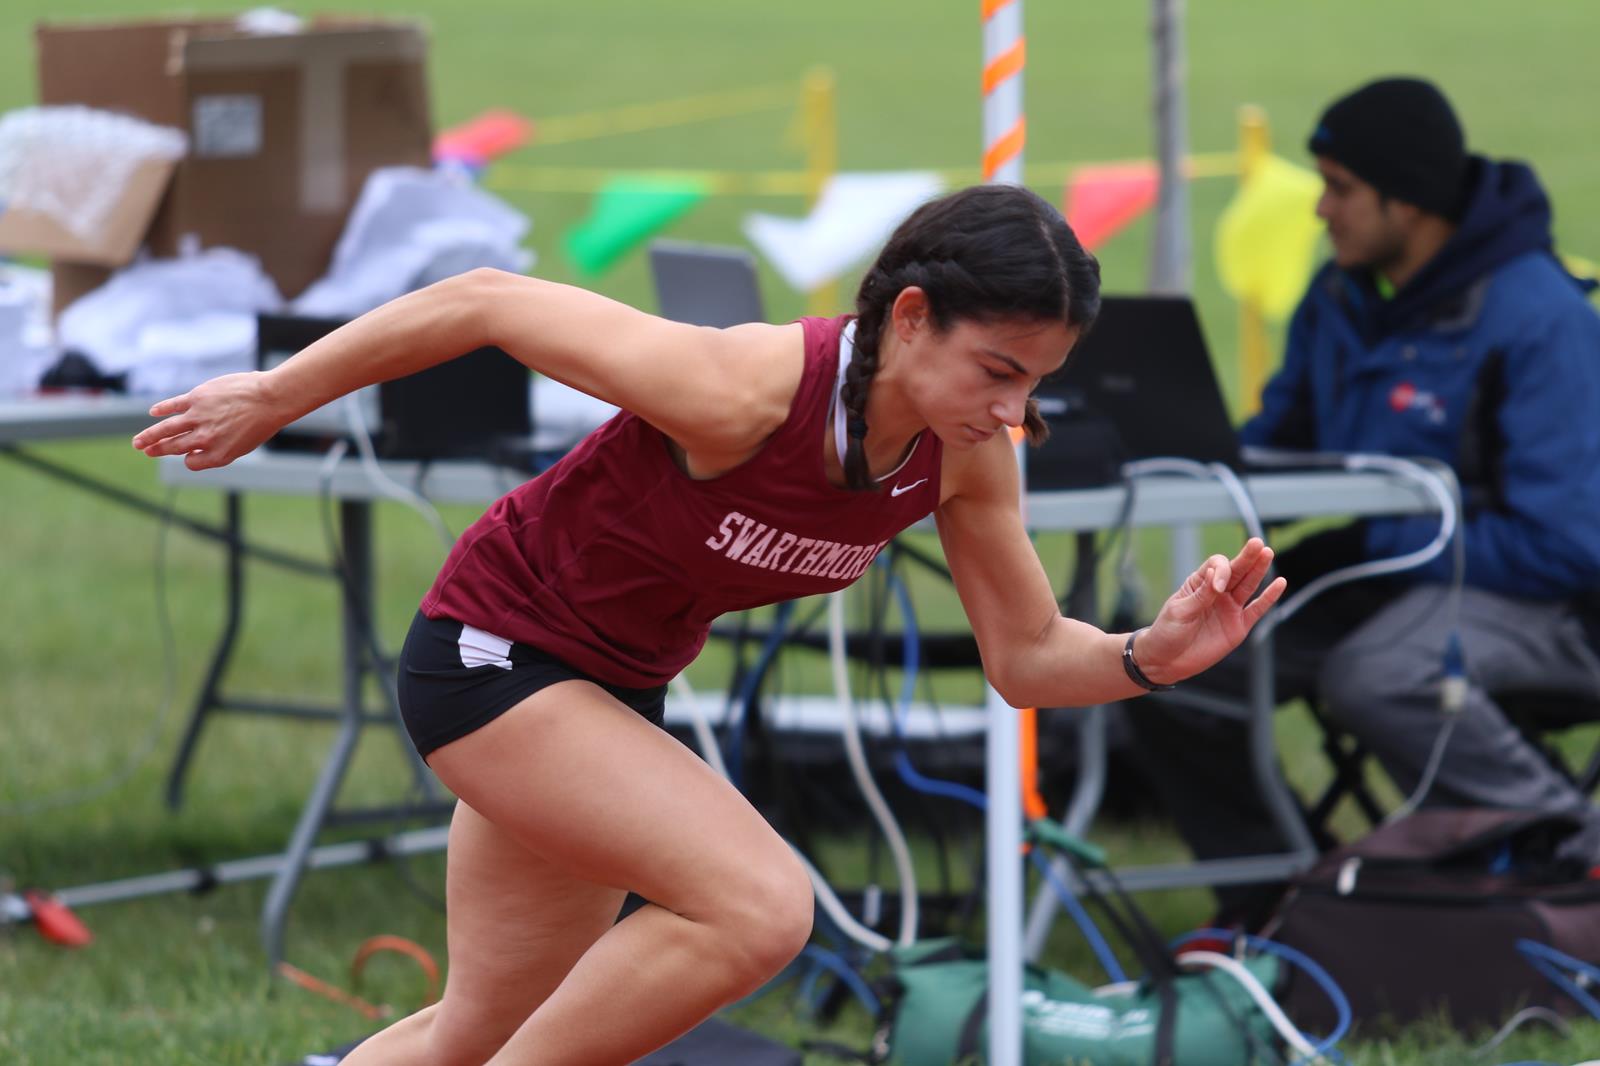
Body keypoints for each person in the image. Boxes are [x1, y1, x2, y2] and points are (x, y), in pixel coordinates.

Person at [133, 184, 1285, 1066]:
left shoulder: (966, 455)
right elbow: (485, 300)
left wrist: (1149, 657)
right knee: (759, 906)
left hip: (607, 692)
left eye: (1034, 383)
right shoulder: (742, 390)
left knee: (483, 1030)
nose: (1012, 410)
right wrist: (273, 395)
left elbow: (1028, 658)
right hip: (494, 657)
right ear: (914, 316)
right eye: (996, 370)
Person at [1128, 77, 1600, 927]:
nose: (1320, 211)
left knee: (1379, 674)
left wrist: (1396, 536)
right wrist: (1168, 449)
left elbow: (1570, 541)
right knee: (1168, 662)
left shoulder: (1541, 316)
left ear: (1408, 201)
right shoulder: (1342, 298)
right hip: (1378, 576)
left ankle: (1573, 851)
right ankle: (1283, 913)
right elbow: (1271, 446)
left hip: (1545, 602)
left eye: (1340, 188)